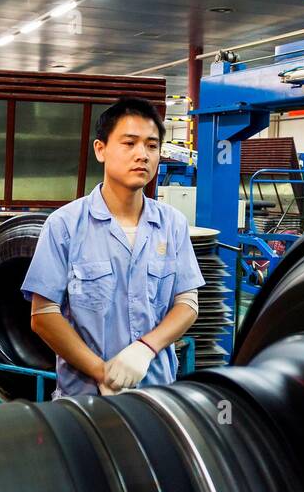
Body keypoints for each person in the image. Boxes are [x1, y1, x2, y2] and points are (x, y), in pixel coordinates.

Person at [22, 97, 203, 397]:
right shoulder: (65, 225)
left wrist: (145, 349)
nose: (142, 155)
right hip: (85, 400)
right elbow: (43, 315)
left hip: (157, 395)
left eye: (152, 146)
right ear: (100, 150)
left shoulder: (173, 225)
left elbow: (188, 304)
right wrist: (102, 373)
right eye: (129, 143)